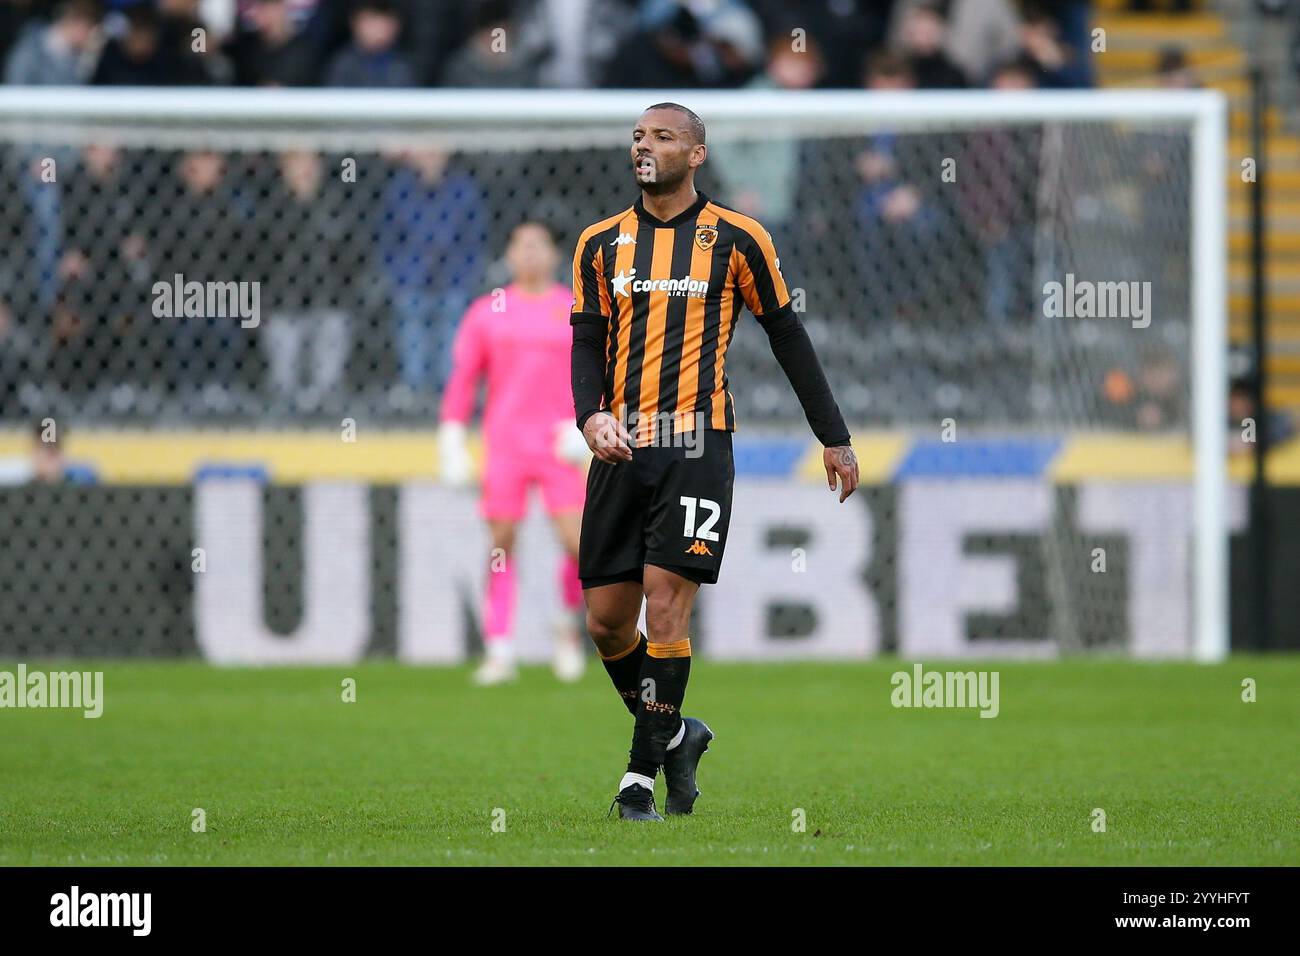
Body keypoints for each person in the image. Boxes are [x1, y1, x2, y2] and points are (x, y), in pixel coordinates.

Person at [570, 103, 859, 821]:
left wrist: (834, 434)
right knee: (608, 622)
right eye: (639, 135)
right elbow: (584, 342)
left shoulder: (737, 239)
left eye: (663, 137)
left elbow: (787, 335)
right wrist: (590, 416)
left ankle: (639, 781)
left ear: (696, 154)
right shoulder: (600, 244)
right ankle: (675, 735)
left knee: (666, 603)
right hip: (619, 443)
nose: (645, 146)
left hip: (698, 443)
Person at [438, 220, 590, 686]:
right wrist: (451, 437)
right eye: (520, 245)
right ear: (508, 255)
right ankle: (499, 647)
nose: (529, 254)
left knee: (579, 545)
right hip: (505, 443)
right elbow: (464, 378)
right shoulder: (488, 311)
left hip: (559, 444)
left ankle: (566, 631)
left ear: (552, 254)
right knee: (502, 543)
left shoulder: (574, 307)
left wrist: (589, 424)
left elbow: (601, 369)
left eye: (538, 245)